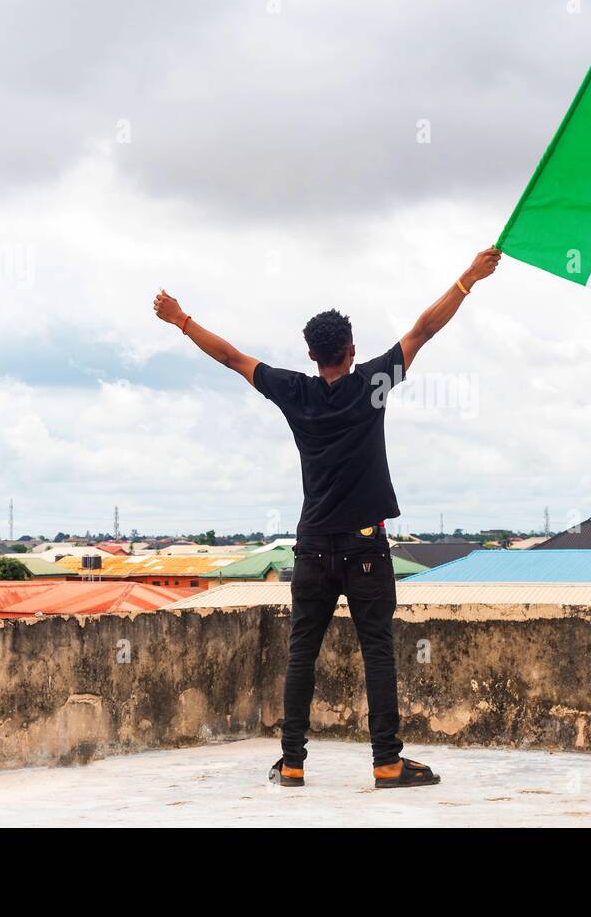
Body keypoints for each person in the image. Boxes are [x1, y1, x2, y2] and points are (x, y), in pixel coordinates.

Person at [153, 246, 502, 788]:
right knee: (378, 653)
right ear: (351, 350)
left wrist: (181, 320)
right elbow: (423, 330)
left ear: (313, 355)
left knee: (301, 655)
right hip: (366, 547)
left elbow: (230, 357)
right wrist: (467, 279)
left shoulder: (295, 392)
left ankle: (291, 763)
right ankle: (387, 761)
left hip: (312, 546)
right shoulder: (373, 384)